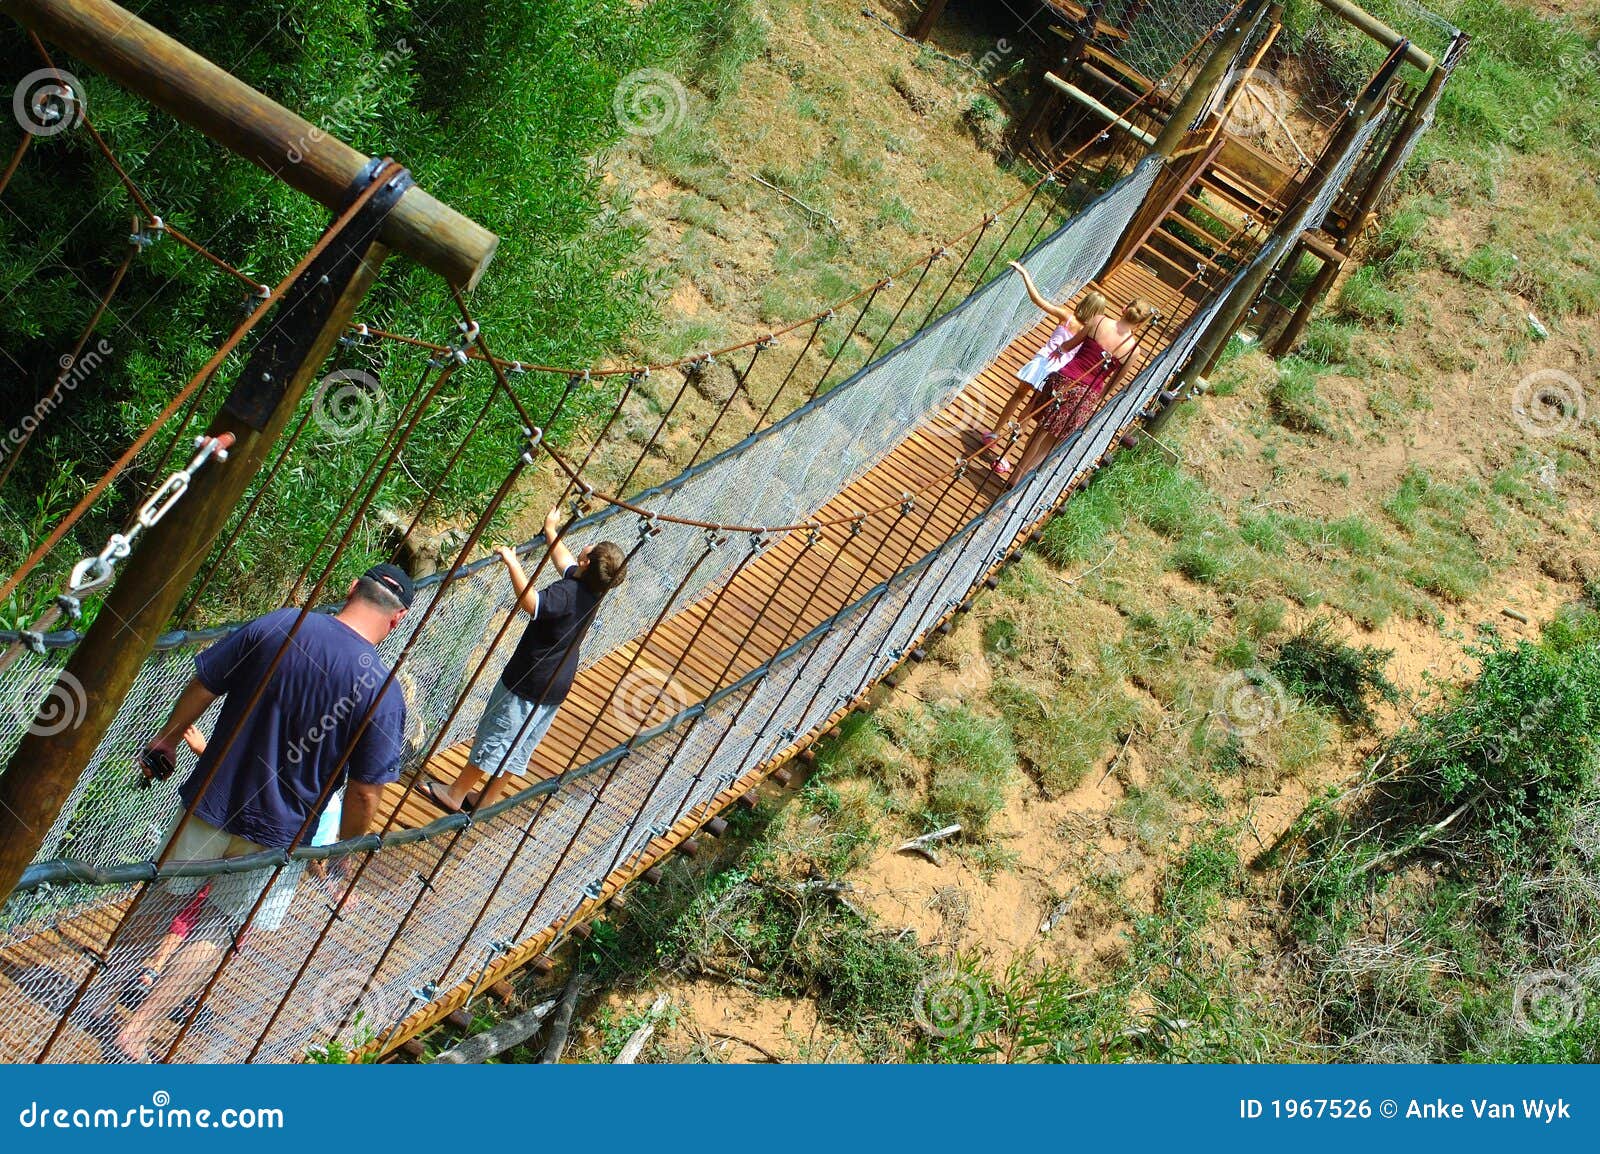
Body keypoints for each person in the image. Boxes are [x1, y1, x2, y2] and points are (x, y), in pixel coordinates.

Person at [114, 564, 414, 1062]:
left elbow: (204, 684)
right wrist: (342, 851)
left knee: (161, 894)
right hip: (281, 831)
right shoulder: (382, 690)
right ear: (398, 620)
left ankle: (99, 991)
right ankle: (139, 1029)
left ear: (351, 589)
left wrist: (168, 738)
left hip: (212, 798)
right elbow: (365, 793)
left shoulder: (281, 625)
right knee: (222, 926)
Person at [421, 507, 627, 814]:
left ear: (587, 562)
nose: (584, 549)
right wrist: (550, 530)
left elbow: (532, 603)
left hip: (528, 679)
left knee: (497, 733)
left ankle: (455, 793)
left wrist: (513, 564)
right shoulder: (592, 590)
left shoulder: (567, 592)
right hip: (556, 685)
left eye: (589, 549)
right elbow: (564, 561)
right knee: (519, 744)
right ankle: (487, 799)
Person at [1005, 269, 1156, 487]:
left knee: (1041, 428)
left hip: (1064, 379)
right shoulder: (1133, 351)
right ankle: (1023, 476)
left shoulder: (1098, 321)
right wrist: (1097, 399)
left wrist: (1058, 351)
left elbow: (1070, 345)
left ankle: (1016, 473)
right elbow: (1114, 383)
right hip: (1086, 394)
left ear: (1124, 309)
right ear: (1140, 323)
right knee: (1053, 438)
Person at [983, 285, 1108, 474]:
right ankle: (1007, 455)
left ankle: (994, 433)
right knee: (1030, 411)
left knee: (1018, 396)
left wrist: (1025, 276)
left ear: (1083, 303)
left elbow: (1038, 300)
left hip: (1042, 362)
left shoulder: (1067, 317)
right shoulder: (1090, 333)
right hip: (1058, 372)